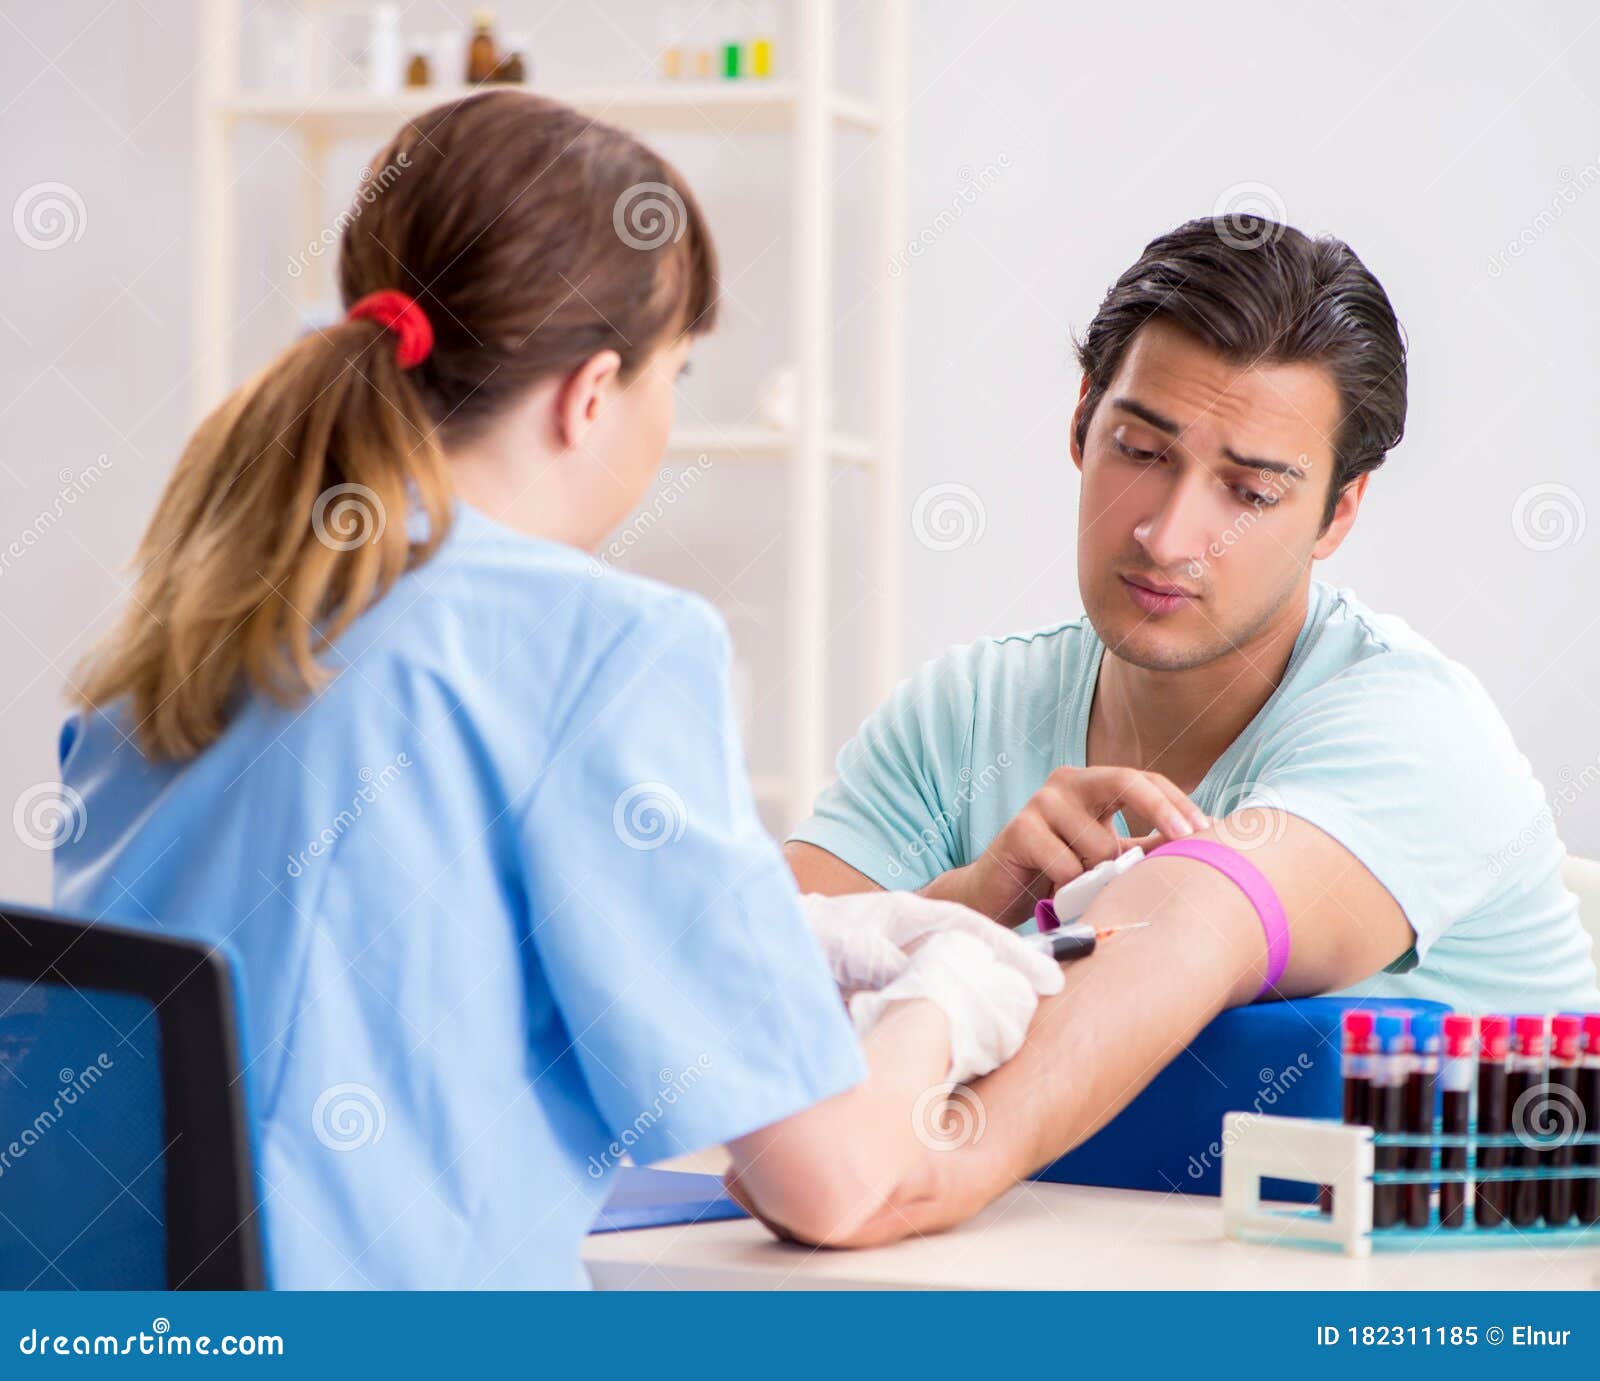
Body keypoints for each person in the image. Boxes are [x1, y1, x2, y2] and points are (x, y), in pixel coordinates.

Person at [51, 90, 1062, 1289]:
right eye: (673, 374)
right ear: (592, 393)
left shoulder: (195, 622)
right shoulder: (600, 644)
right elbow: (831, 1180)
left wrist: (772, 940)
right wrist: (947, 1001)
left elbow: (352, 952)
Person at [785, 216, 1600, 1242]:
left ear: (1338, 512)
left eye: (1250, 491)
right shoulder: (966, 712)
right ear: (1081, 420)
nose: (1168, 536)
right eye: (1139, 449)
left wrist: (897, 1173)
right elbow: (729, 975)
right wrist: (969, 903)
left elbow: (1190, 927)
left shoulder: (1414, 732)